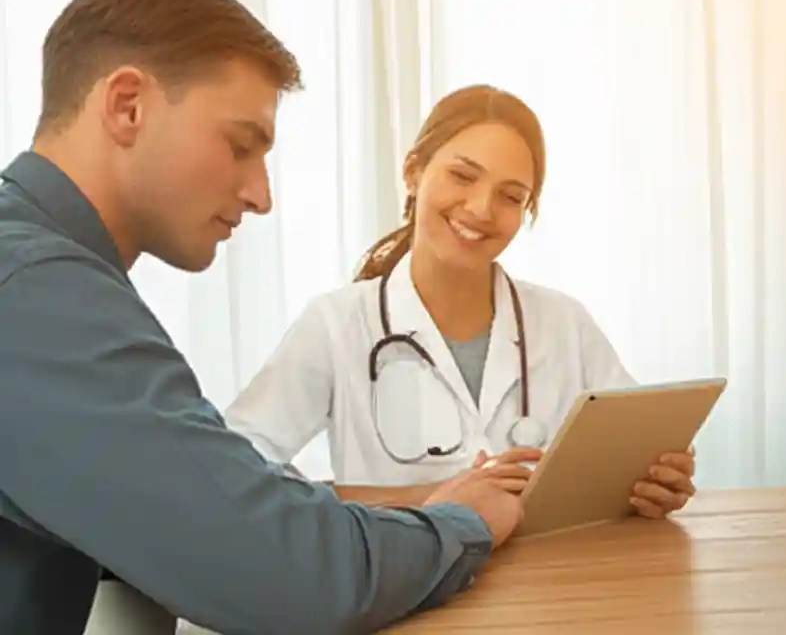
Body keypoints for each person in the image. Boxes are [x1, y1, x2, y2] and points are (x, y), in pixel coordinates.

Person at [0, 0, 528, 635]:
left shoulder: (41, 275)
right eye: (240, 145)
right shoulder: (36, 293)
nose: (261, 195)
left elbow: (227, 498)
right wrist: (465, 522)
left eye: (515, 196)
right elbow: (288, 570)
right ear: (128, 105)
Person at [224, 85, 698, 519]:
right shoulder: (336, 324)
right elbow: (237, 464)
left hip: (550, 590)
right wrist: (434, 498)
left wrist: (657, 480)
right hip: (410, 597)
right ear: (413, 173)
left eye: (511, 196)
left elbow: (636, 445)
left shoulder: (563, 323)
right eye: (462, 176)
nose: (480, 209)